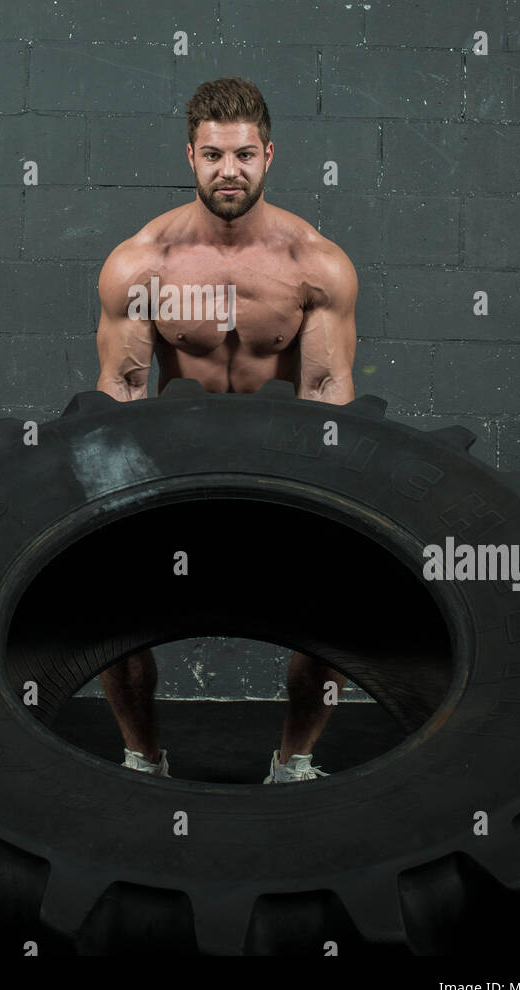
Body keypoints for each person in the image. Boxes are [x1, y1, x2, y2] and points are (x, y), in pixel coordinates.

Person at [95, 77, 358, 783]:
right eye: (212, 155)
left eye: (243, 155)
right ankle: (142, 758)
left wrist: (323, 504)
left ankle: (292, 762)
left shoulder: (316, 266)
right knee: (113, 603)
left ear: (269, 155)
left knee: (332, 610)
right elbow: (119, 391)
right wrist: (112, 504)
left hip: (279, 473)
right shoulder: (142, 263)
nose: (228, 171)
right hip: (172, 469)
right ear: (190, 157)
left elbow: (327, 395)